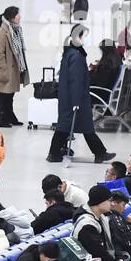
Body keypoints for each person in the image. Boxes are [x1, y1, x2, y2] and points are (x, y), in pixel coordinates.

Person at [47, 24, 114, 163]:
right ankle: (99, 153)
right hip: (76, 98)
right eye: (85, 36)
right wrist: (76, 102)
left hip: (69, 97)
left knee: (71, 126)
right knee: (73, 126)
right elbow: (75, 80)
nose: (87, 39)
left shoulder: (70, 52)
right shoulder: (77, 56)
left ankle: (99, 152)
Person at [0, 6, 30, 127]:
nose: (20, 17)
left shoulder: (16, 29)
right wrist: (4, 70)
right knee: (2, 94)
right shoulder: (3, 32)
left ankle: (9, 116)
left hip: (15, 66)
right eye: (18, 14)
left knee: (10, 94)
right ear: (12, 17)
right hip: (6, 69)